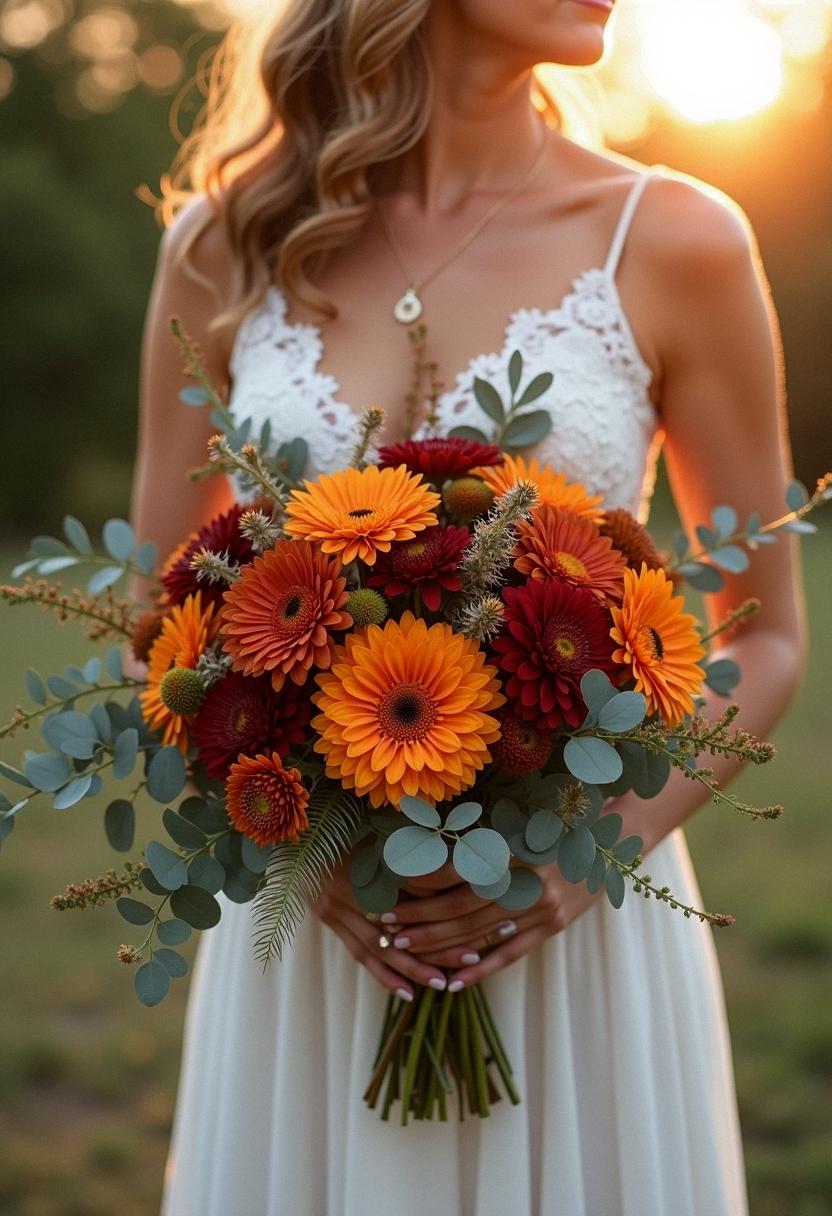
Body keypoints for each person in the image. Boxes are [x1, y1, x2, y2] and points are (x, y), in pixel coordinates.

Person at [130, 2, 805, 1213]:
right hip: (315, 933)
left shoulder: (674, 237)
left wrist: (588, 858)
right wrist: (298, 841)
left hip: (571, 918)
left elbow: (766, 631)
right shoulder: (221, 245)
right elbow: (161, 609)